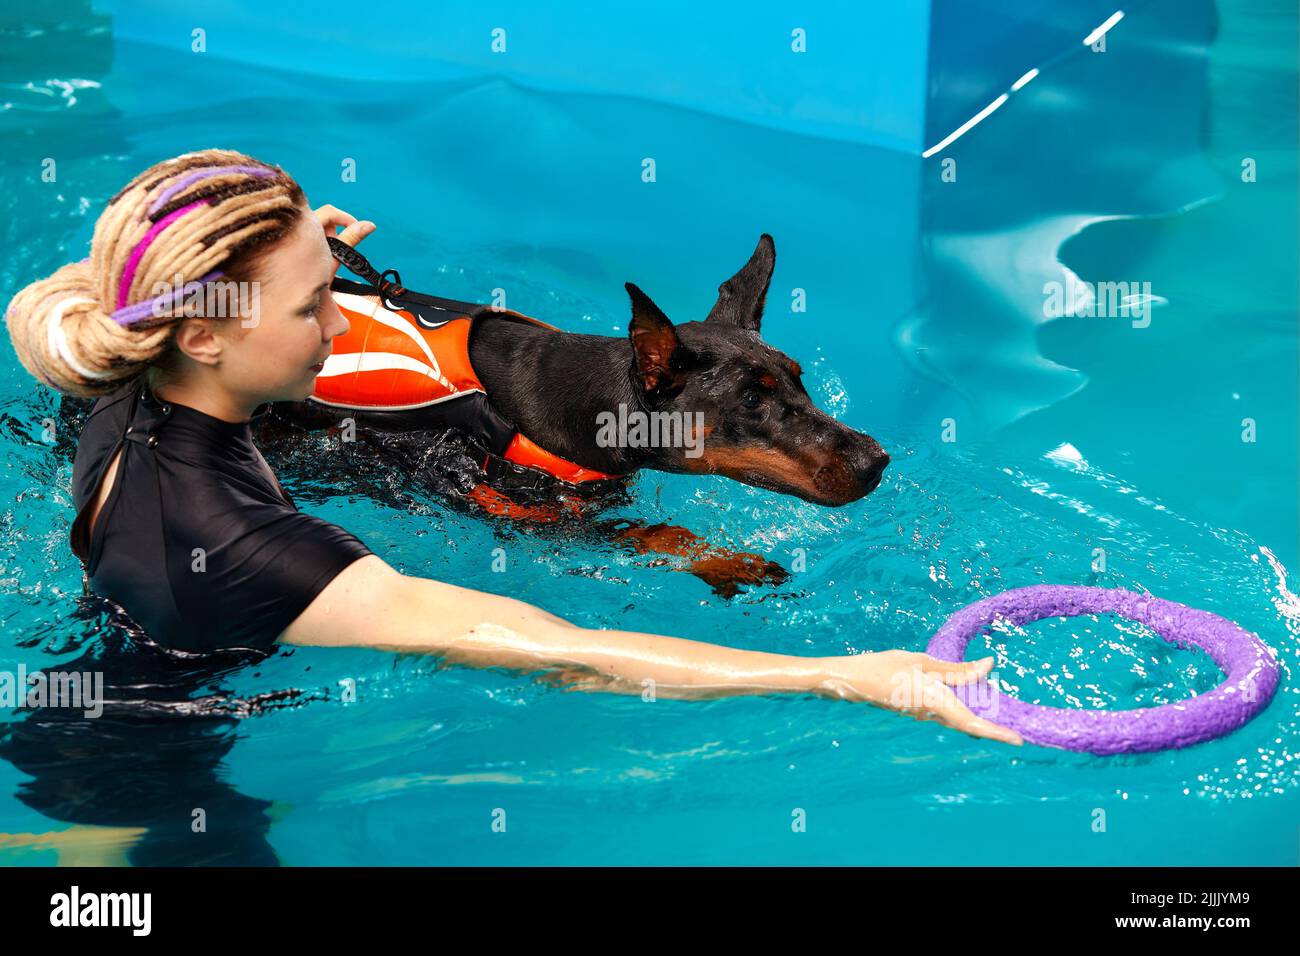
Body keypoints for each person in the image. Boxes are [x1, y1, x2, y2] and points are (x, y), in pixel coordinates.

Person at [3, 148, 1022, 746]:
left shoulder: (119, 372)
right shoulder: (246, 543)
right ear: (206, 330)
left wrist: (285, 247)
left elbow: (135, 270)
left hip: (81, 683)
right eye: (318, 305)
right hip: (150, 779)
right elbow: (566, 652)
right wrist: (848, 676)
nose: (343, 323)